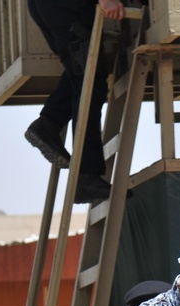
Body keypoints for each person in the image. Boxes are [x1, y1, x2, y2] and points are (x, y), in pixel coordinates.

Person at [24, 0, 125, 204]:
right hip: (67, 7)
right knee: (89, 79)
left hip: (58, 7)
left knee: (85, 73)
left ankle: (48, 124)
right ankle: (86, 175)